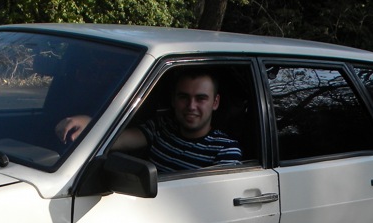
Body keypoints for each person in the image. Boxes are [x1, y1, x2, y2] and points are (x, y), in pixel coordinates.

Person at [56, 72, 242, 172]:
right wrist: (89, 123)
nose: (191, 106)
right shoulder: (162, 127)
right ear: (173, 100)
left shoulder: (225, 151)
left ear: (215, 102)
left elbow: (215, 203)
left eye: (201, 98)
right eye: (184, 97)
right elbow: (118, 139)